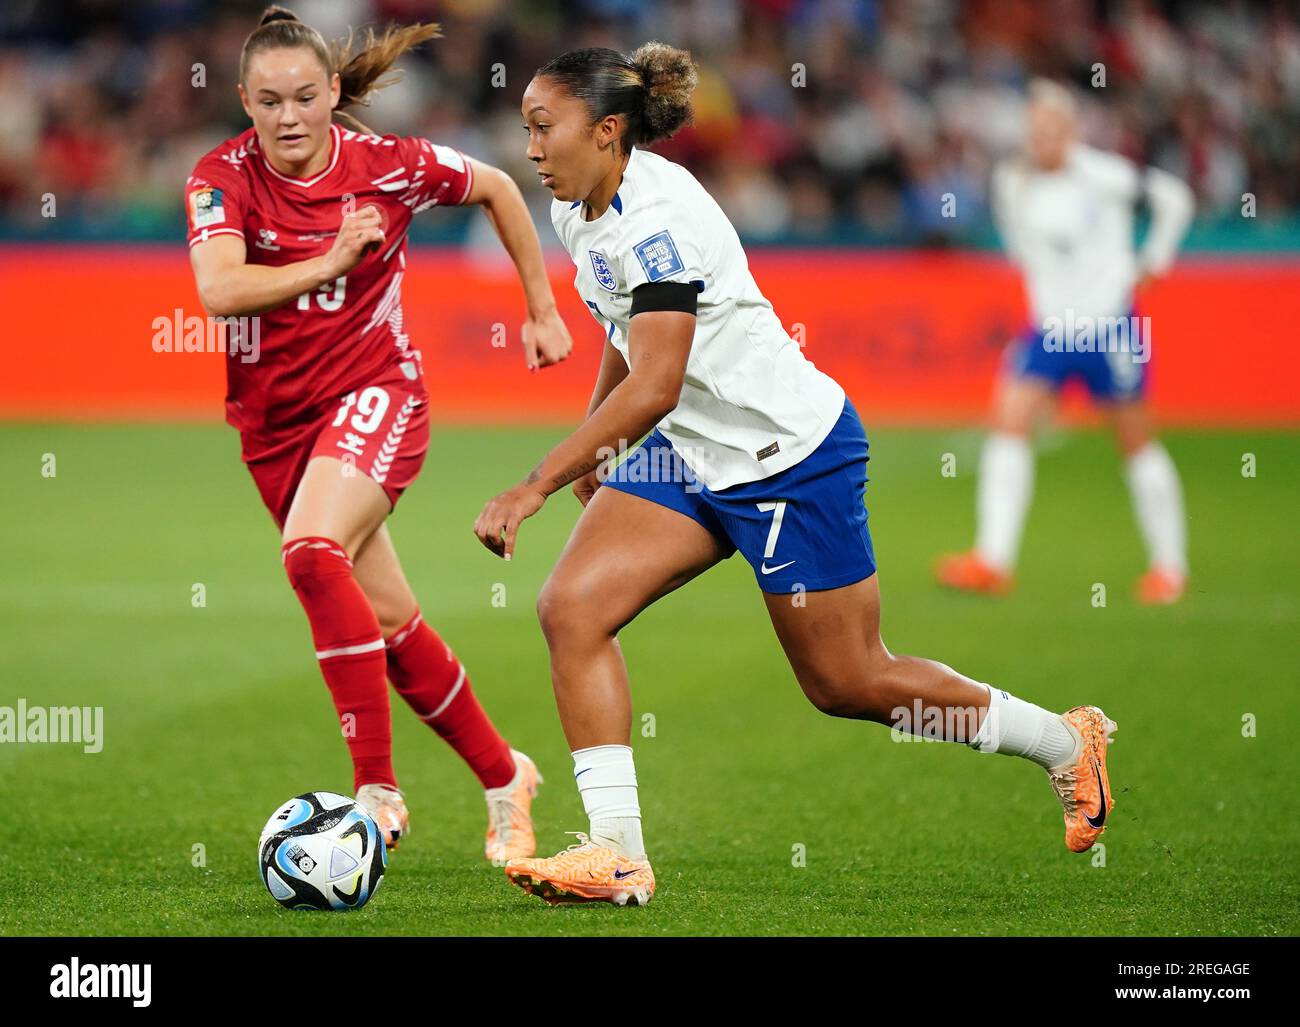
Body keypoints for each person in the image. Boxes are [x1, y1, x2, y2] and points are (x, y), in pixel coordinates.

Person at [473, 45, 1116, 908]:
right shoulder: (579, 208)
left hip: (787, 457)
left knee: (848, 682)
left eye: (545, 128)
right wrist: (598, 441)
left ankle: (1064, 743)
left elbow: (659, 380)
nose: (533, 148)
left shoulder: (658, 223)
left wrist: (542, 479)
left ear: (609, 130)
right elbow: (625, 331)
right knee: (572, 607)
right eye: (527, 130)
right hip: (690, 449)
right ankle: (617, 852)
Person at [185, 6, 573, 859]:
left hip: (377, 392)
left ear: (332, 92)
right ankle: (507, 772)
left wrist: (541, 309)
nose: (287, 118)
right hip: (275, 428)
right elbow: (217, 290)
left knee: (312, 555)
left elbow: (501, 188)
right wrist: (330, 260)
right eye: (267, 101)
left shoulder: (388, 165)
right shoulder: (219, 179)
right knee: (391, 625)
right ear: (245, 102)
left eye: (302, 97)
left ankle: (376, 787)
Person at [937, 79, 1195, 604]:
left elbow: (1174, 198)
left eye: (1053, 129)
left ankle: (1170, 567)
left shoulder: (1105, 175)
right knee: (1008, 424)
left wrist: (1155, 261)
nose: (1044, 139)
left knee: (1135, 441)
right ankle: (993, 559)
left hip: (1109, 328)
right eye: (1036, 130)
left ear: (1073, 131)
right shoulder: (1012, 181)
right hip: (1050, 329)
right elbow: (1022, 245)